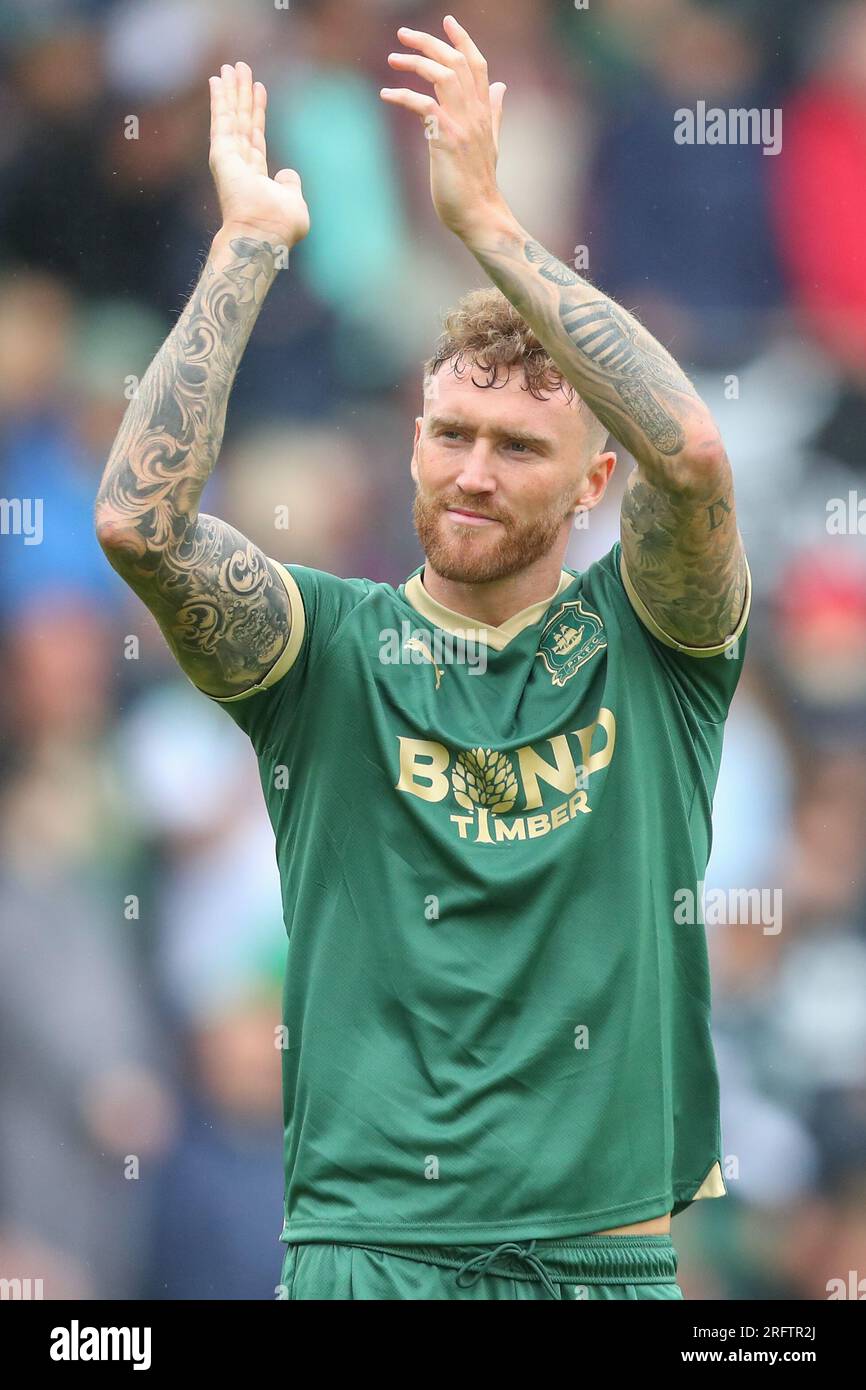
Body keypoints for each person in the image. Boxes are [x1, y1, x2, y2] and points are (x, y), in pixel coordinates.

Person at [95, 17, 750, 1301]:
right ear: (408, 441)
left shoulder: (654, 639)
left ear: (592, 481)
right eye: (449, 432)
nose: (470, 471)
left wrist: (489, 223)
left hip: (597, 1264)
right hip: (367, 1257)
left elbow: (695, 457)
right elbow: (137, 521)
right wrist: (244, 252)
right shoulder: (322, 653)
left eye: (517, 446)